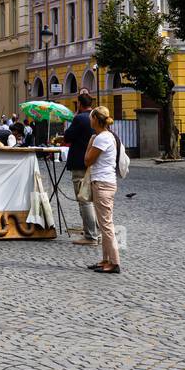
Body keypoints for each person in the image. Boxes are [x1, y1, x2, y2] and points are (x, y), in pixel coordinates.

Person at [84, 107, 122, 274]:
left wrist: (91, 142)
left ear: (95, 120)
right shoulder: (108, 137)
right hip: (107, 183)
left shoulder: (101, 139)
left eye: (91, 117)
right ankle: (106, 259)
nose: (89, 120)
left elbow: (87, 160)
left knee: (106, 225)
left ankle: (114, 262)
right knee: (104, 223)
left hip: (102, 184)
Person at [62, 89, 99, 246]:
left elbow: (68, 136)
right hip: (94, 163)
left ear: (80, 105)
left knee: (84, 200)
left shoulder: (80, 119)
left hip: (80, 163)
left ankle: (91, 235)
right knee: (92, 199)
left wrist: (75, 116)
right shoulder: (96, 118)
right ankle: (95, 231)